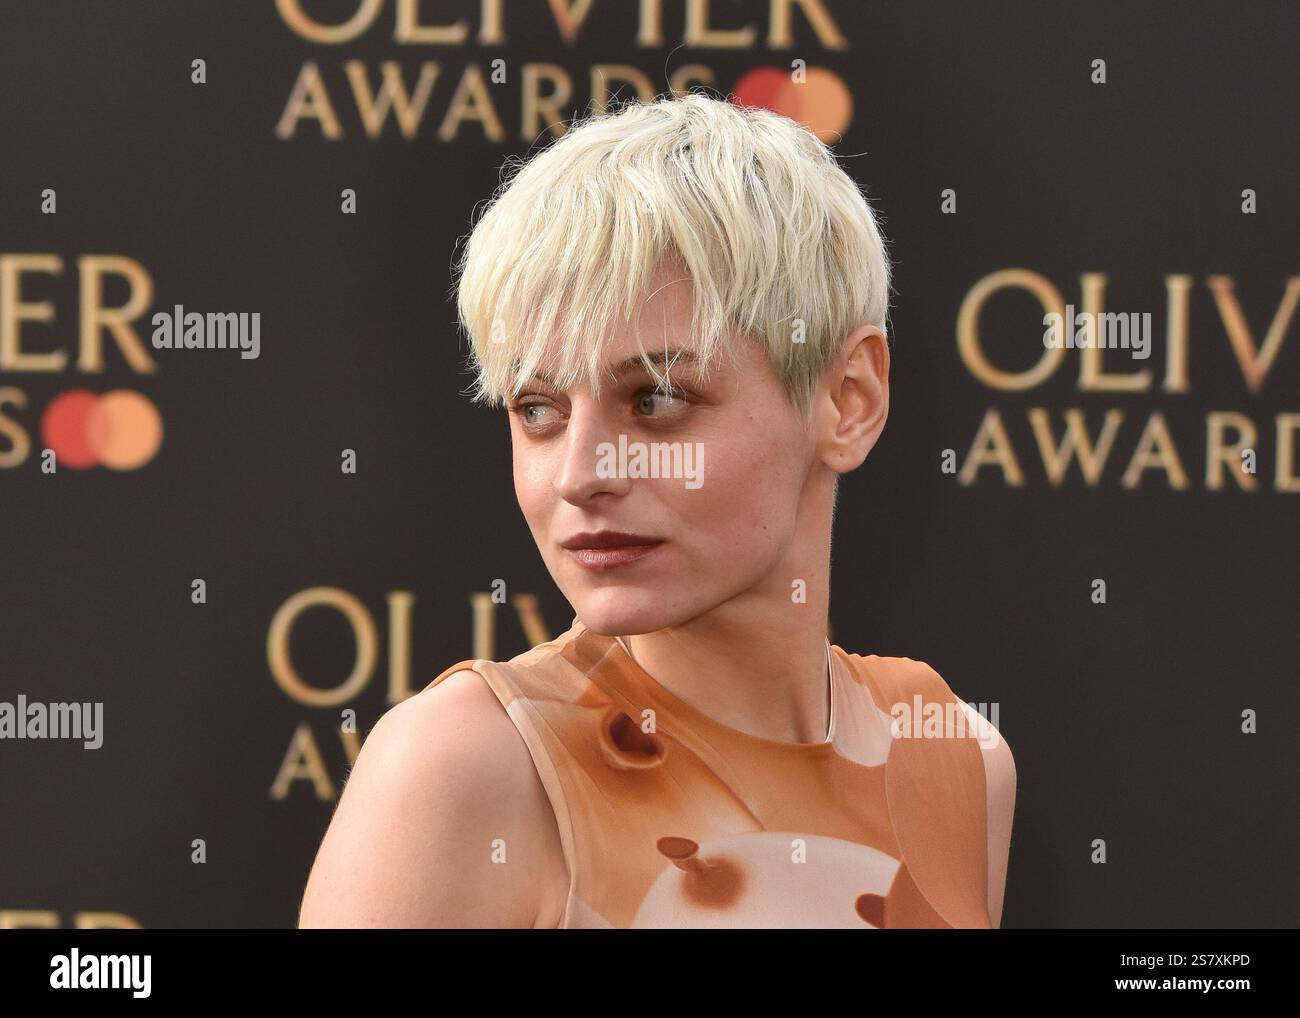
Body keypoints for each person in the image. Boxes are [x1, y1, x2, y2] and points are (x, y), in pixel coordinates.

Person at [298, 91, 1016, 929]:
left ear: (848, 399)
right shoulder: (469, 766)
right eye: (537, 409)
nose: (580, 474)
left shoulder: (952, 757)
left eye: (657, 399)